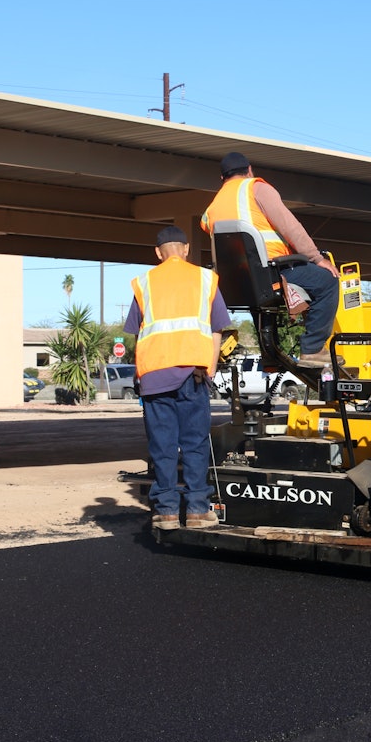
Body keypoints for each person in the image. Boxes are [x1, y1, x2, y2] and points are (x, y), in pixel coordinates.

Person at [124, 225, 232, 531]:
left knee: (163, 446)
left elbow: (138, 334)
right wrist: (210, 368)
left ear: (158, 253)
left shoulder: (144, 282)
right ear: (186, 249)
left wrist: (141, 372)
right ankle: (197, 510)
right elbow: (217, 329)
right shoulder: (205, 279)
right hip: (193, 374)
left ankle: (167, 513)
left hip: (155, 375)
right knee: (195, 443)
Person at [200, 151, 340, 368]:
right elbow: (290, 226)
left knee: (259, 298)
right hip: (272, 270)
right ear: (249, 170)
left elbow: (207, 227)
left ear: (222, 178)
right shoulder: (256, 188)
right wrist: (316, 257)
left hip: (236, 281)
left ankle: (269, 355)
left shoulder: (213, 206)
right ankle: (312, 349)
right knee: (327, 281)